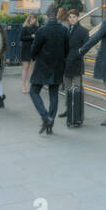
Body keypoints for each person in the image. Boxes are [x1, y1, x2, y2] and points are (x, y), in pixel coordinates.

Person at [28, 7, 69, 135]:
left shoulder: (42, 30)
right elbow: (66, 49)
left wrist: (34, 57)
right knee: (54, 94)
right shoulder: (64, 30)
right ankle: (50, 124)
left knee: (34, 91)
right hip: (57, 66)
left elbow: (34, 49)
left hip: (42, 66)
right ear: (56, 15)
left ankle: (46, 117)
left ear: (47, 16)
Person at [61, 8, 89, 127]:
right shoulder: (67, 30)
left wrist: (79, 54)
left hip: (76, 62)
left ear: (78, 18)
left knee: (77, 89)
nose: (72, 19)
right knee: (67, 88)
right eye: (70, 17)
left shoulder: (83, 31)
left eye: (74, 17)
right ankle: (68, 110)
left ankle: (77, 113)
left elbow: (86, 46)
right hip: (67, 63)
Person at [19, 13, 39, 94]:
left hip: (33, 50)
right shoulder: (24, 27)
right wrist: (31, 37)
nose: (32, 20)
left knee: (31, 69)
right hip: (25, 49)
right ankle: (23, 86)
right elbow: (21, 38)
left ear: (36, 20)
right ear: (28, 19)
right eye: (31, 18)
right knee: (25, 68)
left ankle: (29, 86)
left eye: (34, 18)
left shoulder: (38, 28)